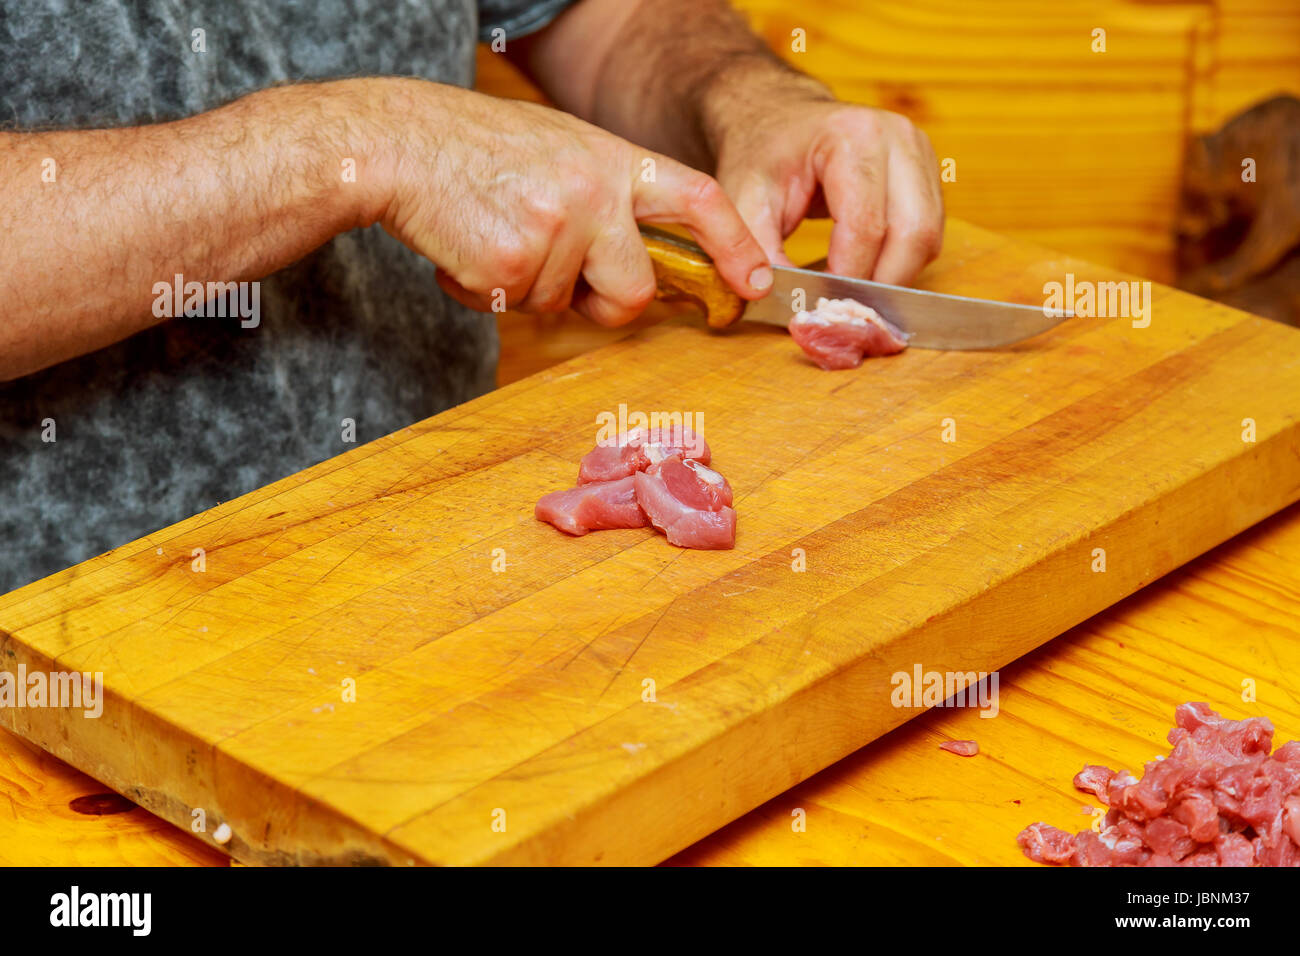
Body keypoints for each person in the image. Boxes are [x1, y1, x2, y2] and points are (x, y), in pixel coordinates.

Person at [0, 0, 943, 592]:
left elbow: (595, 17)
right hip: (60, 674)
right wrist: (357, 145)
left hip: (438, 579)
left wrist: (746, 96)